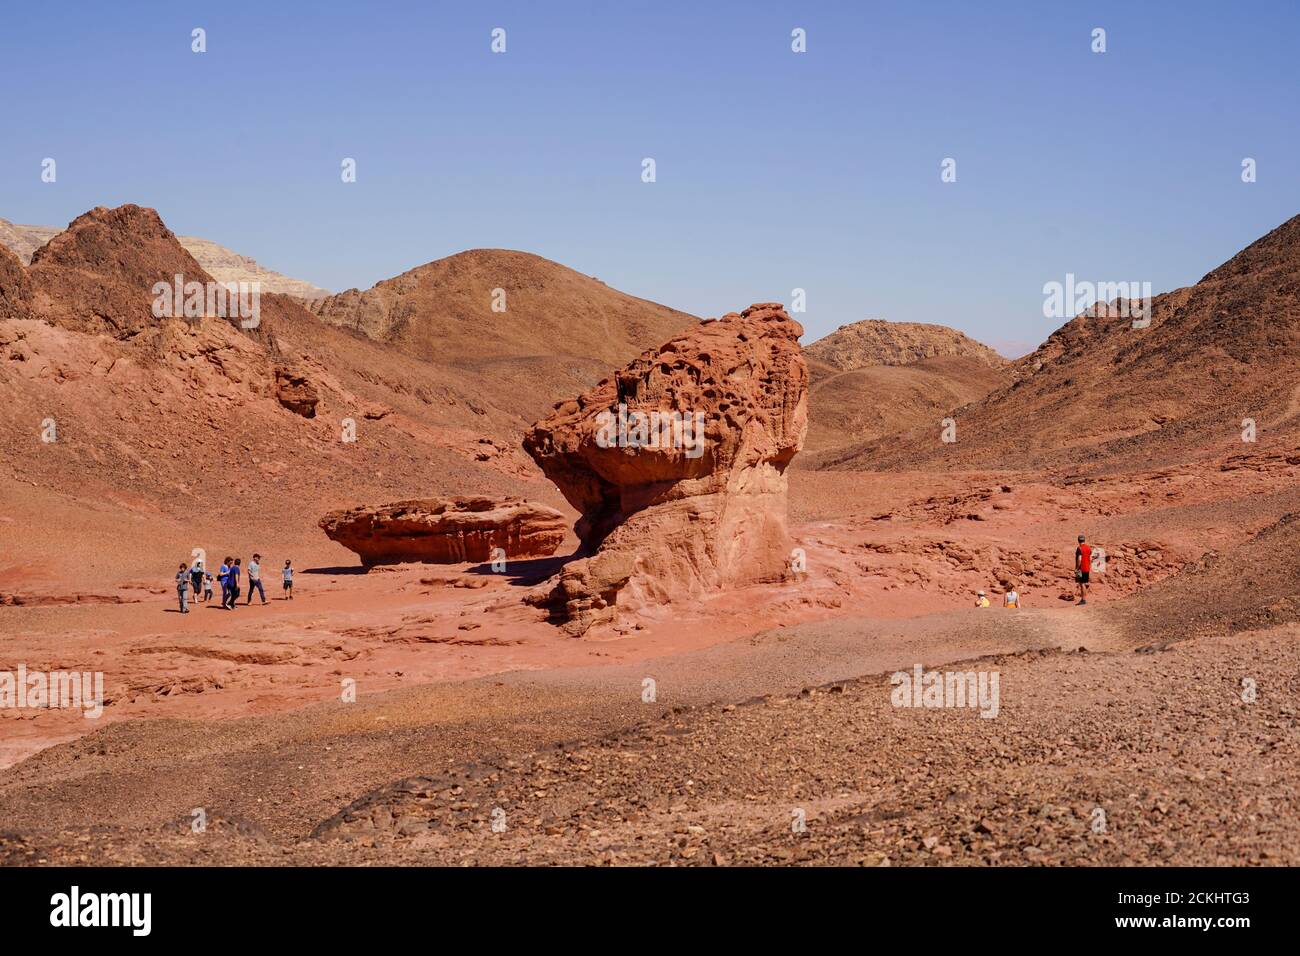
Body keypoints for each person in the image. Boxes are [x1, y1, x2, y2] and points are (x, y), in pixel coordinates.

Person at [1075, 534, 1092, 605]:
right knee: (1084, 583)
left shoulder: (1079, 548)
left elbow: (1079, 559)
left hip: (1080, 568)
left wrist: (1077, 568)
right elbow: (1090, 558)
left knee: (1081, 584)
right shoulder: (1088, 548)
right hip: (1087, 568)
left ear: (1078, 541)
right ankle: (1083, 599)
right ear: (1084, 540)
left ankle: (1083, 600)